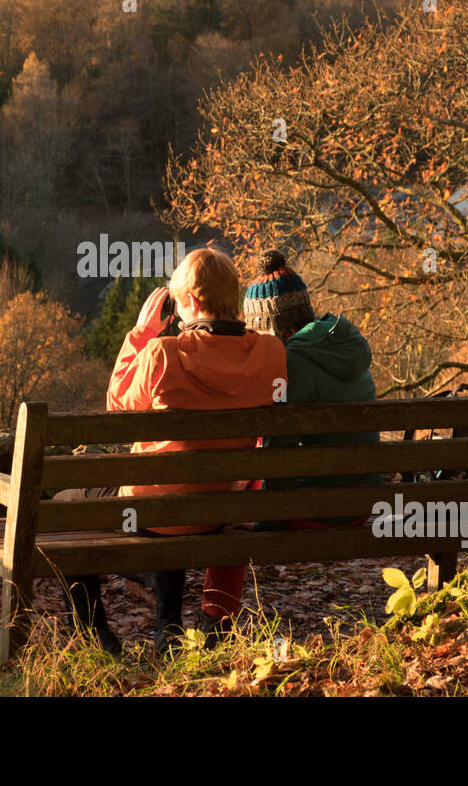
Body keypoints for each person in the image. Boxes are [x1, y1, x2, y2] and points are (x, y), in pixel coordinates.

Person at [60, 245, 286, 655]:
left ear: (192, 301)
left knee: (67, 505)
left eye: (178, 303)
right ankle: (167, 628)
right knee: (174, 498)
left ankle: (96, 634)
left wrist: (141, 332)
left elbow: (117, 405)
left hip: (154, 513)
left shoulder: (161, 354)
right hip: (217, 510)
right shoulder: (271, 354)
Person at [242, 250, 379, 528]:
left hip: (326, 508)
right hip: (365, 501)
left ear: (275, 329)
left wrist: (264, 523)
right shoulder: (342, 343)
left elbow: (279, 456)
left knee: (233, 495)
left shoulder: (292, 362)